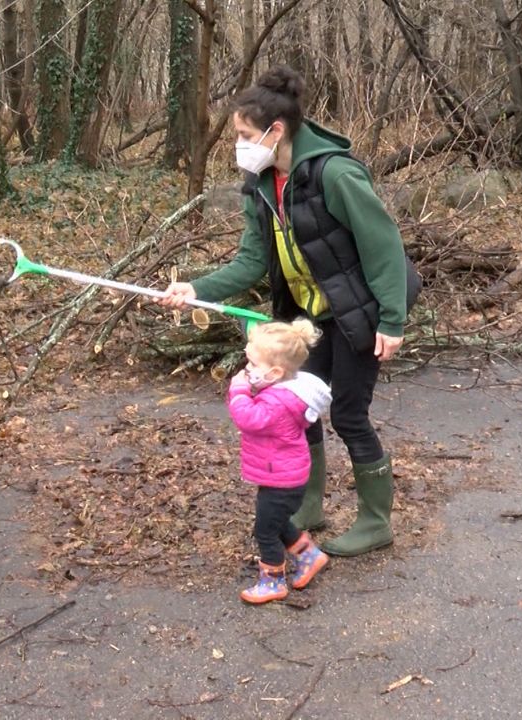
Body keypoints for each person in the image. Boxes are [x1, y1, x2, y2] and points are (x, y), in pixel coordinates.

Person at [160, 65, 419, 557]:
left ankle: (375, 521)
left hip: (359, 311)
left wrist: (391, 320)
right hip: (308, 317)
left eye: (244, 135)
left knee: (349, 414)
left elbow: (383, 244)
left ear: (275, 131)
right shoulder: (262, 185)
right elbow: (252, 261)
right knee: (300, 409)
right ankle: (307, 505)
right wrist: (195, 288)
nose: (239, 145)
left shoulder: (335, 174)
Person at [228, 320, 331, 604]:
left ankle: (273, 581)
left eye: (252, 364)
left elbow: (248, 419)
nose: (246, 369)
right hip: (281, 476)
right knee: (276, 521)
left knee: (264, 530)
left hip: (282, 481)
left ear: (275, 373)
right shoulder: (281, 391)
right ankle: (309, 556)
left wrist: (238, 391)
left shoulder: (278, 402)